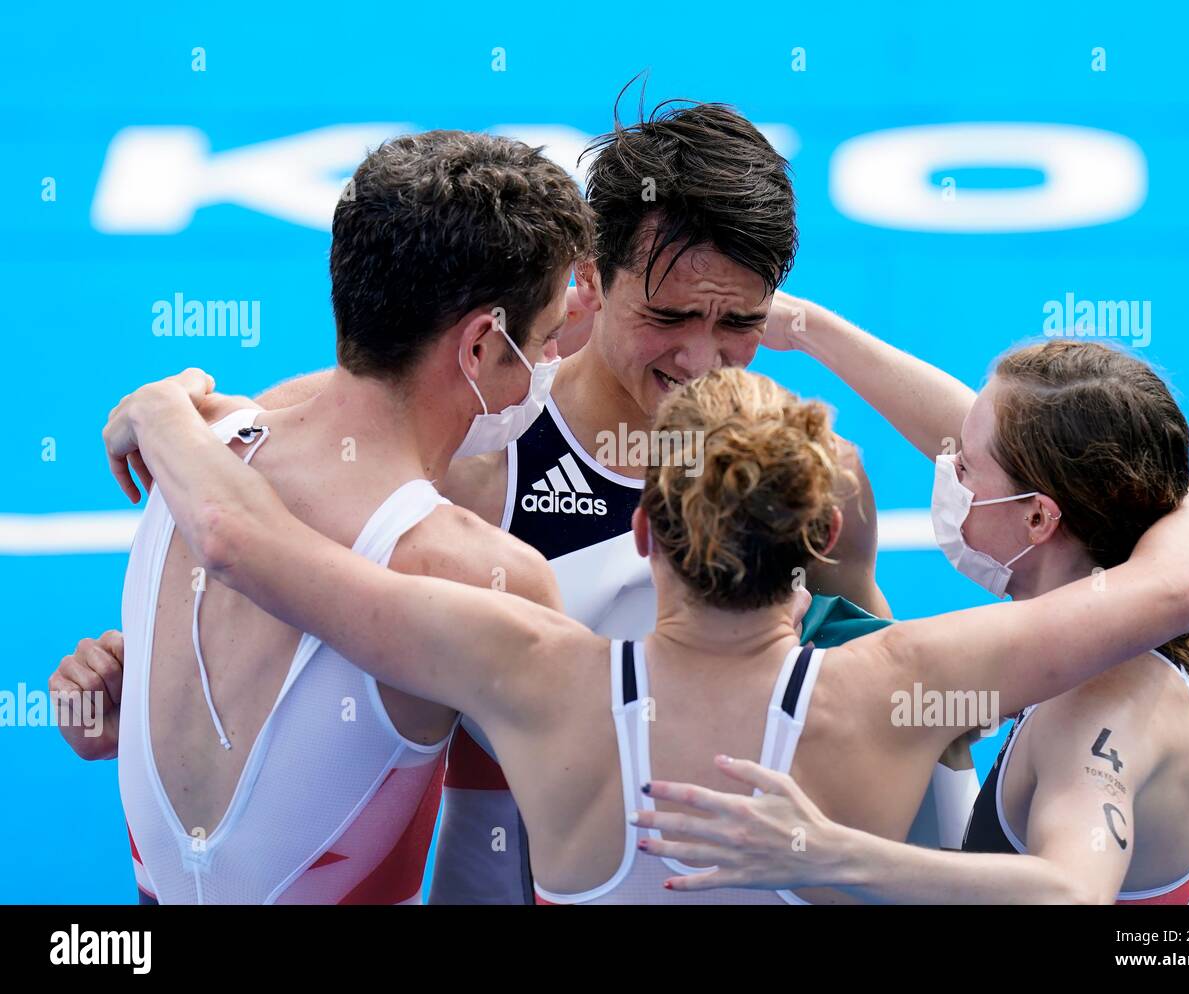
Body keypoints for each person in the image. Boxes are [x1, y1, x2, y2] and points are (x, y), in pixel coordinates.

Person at [55, 98, 975, 903]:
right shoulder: (469, 455)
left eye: (739, 322)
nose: (701, 358)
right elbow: (269, 584)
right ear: (592, 285)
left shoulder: (799, 472)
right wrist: (130, 673)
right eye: (667, 319)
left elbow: (892, 697)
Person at [97, 359, 1189, 904]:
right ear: (825, 527)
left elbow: (253, 550)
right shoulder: (905, 678)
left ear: (641, 530)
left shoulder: (526, 670)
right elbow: (1173, 583)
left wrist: (163, 416)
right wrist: (1177, 490)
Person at [48, 129, 591, 903]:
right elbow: (580, 865)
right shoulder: (477, 575)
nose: (548, 370)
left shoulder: (184, 453)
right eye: (542, 344)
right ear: (479, 347)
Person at [626, 315, 1189, 904]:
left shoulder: (1097, 703)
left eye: (965, 466)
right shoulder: (1107, 646)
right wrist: (806, 327)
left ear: (1038, 515)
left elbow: (1073, 894)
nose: (946, 470)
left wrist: (822, 850)